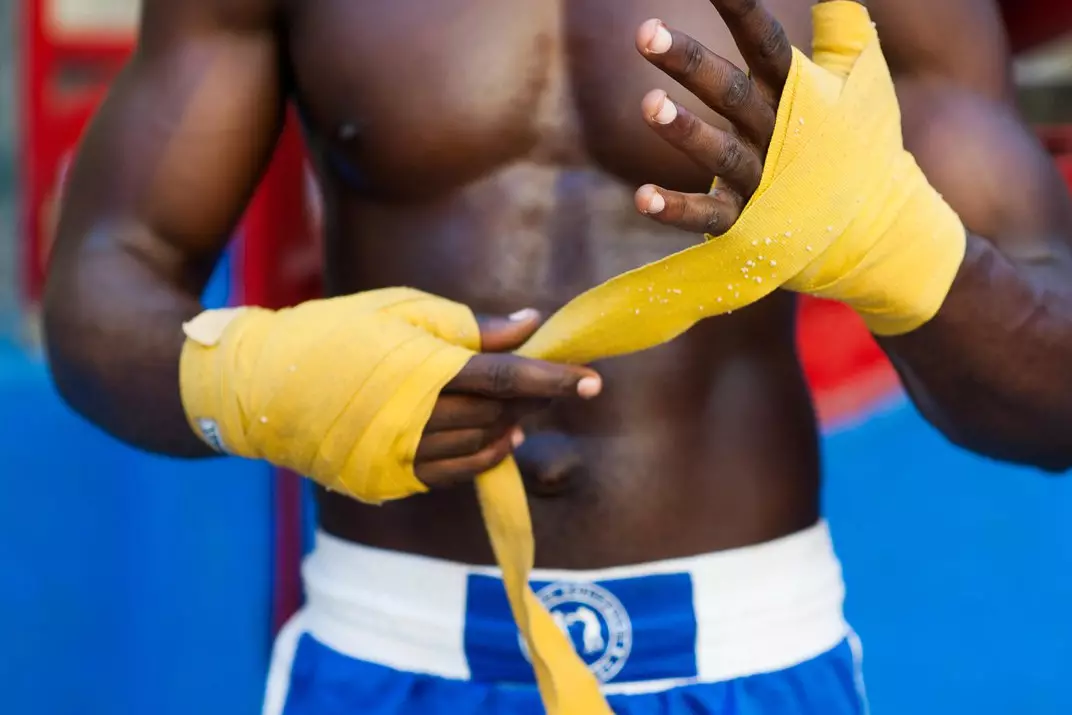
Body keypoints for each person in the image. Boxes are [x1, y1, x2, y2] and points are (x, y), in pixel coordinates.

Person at [42, 0, 1072, 712]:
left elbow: (1051, 403)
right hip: (389, 645)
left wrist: (898, 246)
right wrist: (245, 379)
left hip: (747, 647)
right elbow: (106, 275)